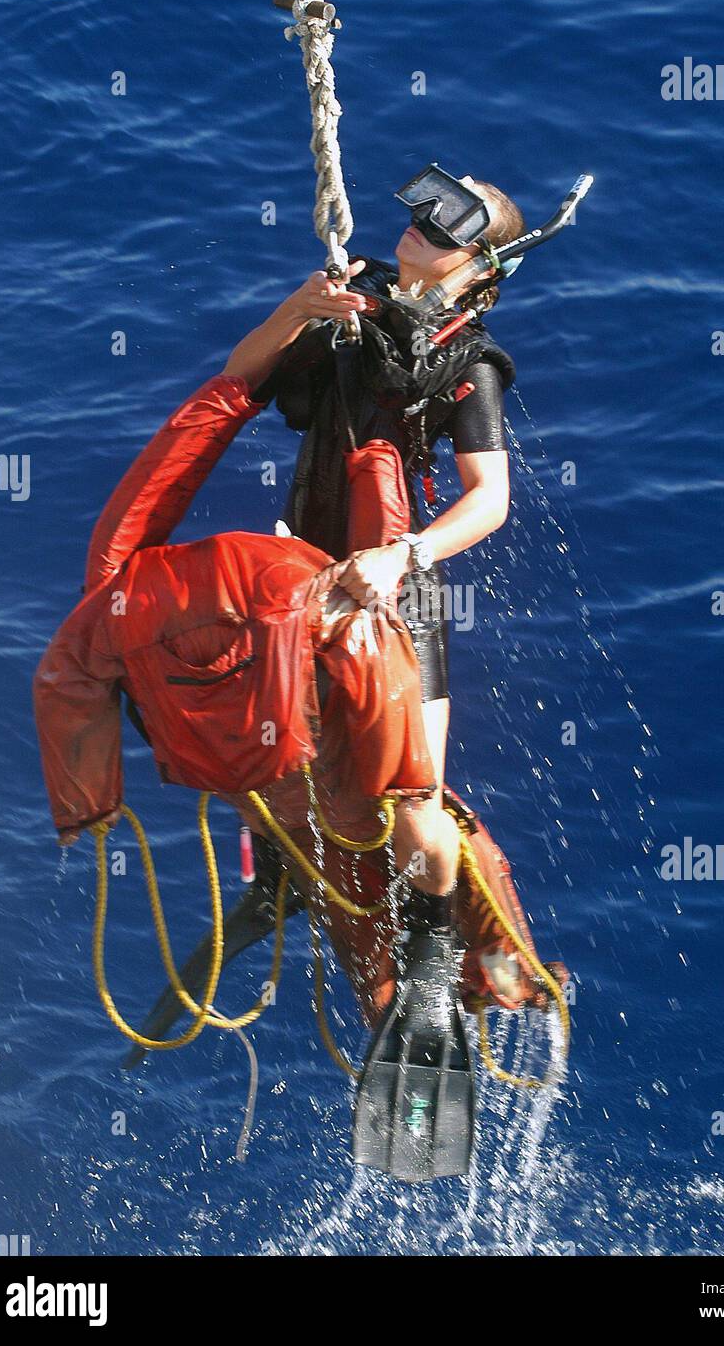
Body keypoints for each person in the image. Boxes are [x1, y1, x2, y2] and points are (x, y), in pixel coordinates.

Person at [221, 167, 524, 931]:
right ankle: (276, 882)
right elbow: (241, 377)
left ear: (480, 266)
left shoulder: (470, 361)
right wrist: (299, 307)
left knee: (415, 793)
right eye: (430, 203)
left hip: (397, 578)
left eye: (455, 221)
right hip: (301, 561)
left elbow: (491, 499)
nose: (425, 220)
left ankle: (429, 959)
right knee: (269, 744)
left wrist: (404, 556)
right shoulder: (354, 296)